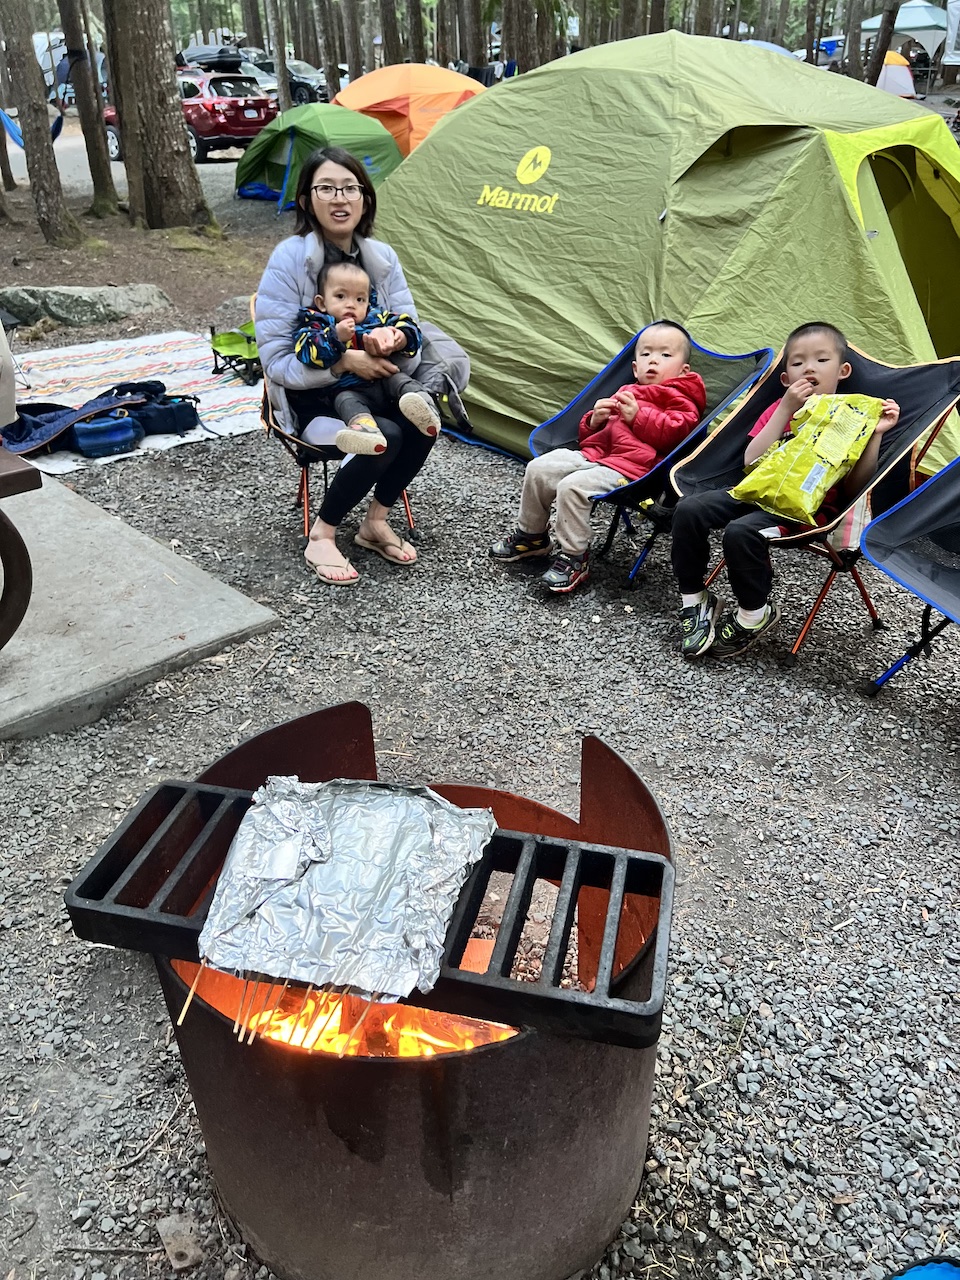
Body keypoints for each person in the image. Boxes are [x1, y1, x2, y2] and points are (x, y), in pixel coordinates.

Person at [255, 145, 471, 586]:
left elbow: (409, 329)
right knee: (386, 434)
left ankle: (375, 522)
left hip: (380, 382)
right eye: (327, 188)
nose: (340, 198)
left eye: (350, 188)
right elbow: (276, 361)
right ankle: (323, 532)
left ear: (365, 198)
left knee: (425, 422)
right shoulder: (289, 260)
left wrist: (392, 340)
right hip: (316, 394)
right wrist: (342, 363)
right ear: (305, 199)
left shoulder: (383, 259)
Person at [672, 321, 900, 659]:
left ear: (843, 371)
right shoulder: (777, 409)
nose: (808, 367)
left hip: (805, 510)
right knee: (689, 509)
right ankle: (696, 598)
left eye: (822, 360)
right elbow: (751, 461)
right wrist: (784, 410)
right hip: (752, 491)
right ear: (785, 379)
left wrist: (877, 433)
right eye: (797, 363)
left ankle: (755, 613)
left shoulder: (854, 418)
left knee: (740, 533)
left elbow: (856, 485)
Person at [489, 322, 707, 593]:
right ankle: (532, 536)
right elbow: (591, 441)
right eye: (646, 354)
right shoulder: (627, 391)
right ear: (635, 368)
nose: (654, 360)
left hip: (634, 471)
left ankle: (574, 556)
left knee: (573, 487)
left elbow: (677, 434)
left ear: (684, 370)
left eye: (665, 355)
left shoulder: (681, 397)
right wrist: (594, 421)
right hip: (595, 456)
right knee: (539, 468)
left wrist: (638, 416)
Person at [292, 260, 441, 455]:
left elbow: (410, 325)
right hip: (347, 389)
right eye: (340, 296)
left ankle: (423, 405)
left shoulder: (376, 318)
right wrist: (335, 337)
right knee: (346, 400)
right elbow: (307, 353)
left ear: (368, 302)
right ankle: (364, 429)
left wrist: (400, 337)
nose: (351, 305)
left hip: (384, 382)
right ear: (322, 302)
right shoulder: (316, 325)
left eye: (359, 299)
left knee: (400, 379)